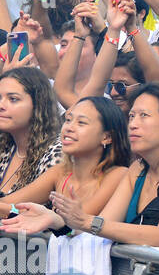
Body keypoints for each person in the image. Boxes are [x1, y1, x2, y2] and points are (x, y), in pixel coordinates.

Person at [51, 83, 159, 253]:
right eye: (131, 116)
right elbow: (101, 225)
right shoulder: (137, 169)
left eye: (144, 115)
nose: (132, 124)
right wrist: (58, 222)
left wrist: (86, 221)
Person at [1, 96, 131, 233]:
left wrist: (14, 211)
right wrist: (14, 210)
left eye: (81, 123)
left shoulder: (119, 174)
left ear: (107, 137)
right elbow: (9, 203)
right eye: (68, 120)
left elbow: (75, 221)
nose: (69, 127)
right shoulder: (60, 171)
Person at [0, 67, 65, 198]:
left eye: (13, 99)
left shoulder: (57, 153)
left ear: (38, 105)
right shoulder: (5, 144)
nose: (1, 105)